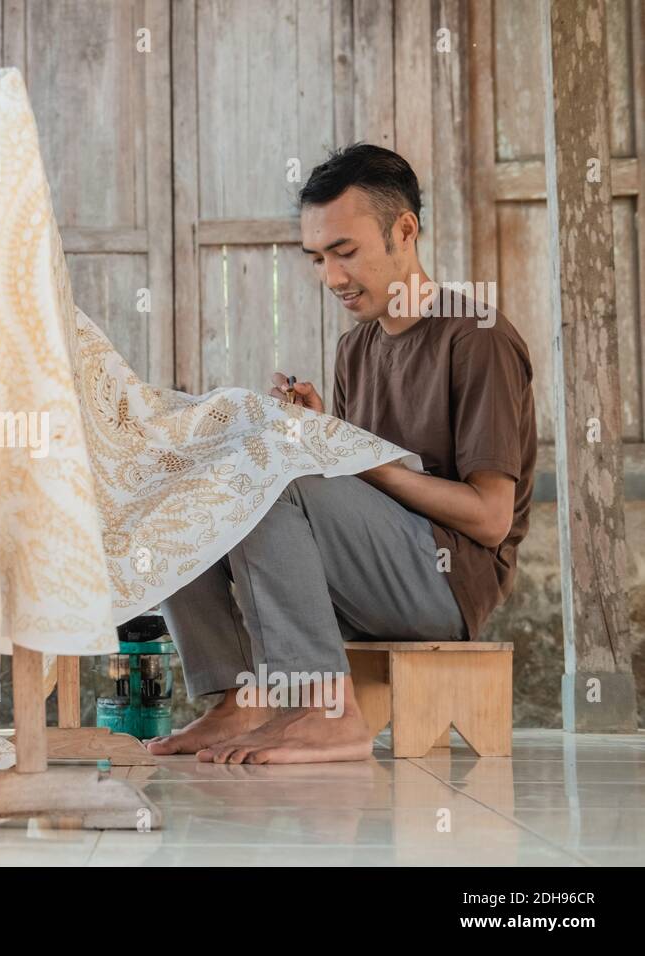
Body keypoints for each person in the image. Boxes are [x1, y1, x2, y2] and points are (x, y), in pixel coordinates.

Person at [147, 144, 536, 764]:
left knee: (274, 475)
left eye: (346, 252)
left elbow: (491, 518)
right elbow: (353, 496)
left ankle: (326, 710)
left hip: (445, 581)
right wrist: (322, 436)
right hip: (368, 572)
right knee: (196, 472)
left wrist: (351, 460)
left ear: (404, 231)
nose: (332, 277)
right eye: (319, 258)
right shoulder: (357, 349)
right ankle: (236, 698)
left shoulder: (475, 337)